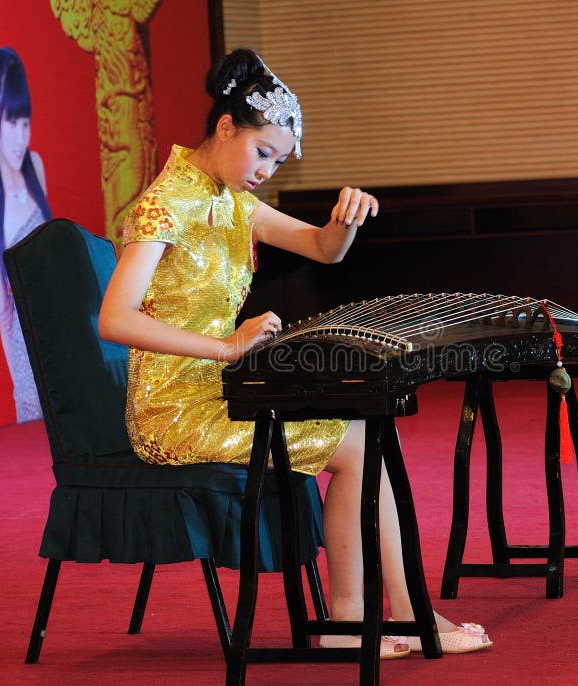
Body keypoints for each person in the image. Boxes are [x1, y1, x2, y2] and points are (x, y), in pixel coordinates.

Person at [98, 47, 492, 658]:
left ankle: (374, 615)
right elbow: (114, 319)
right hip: (173, 411)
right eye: (262, 153)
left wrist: (346, 220)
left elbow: (322, 248)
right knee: (361, 444)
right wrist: (227, 346)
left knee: (365, 430)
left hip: (219, 392)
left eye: (278, 163)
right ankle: (371, 617)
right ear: (226, 127)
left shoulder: (231, 200)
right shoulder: (166, 202)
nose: (265, 172)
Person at [0, 47, 51, 423]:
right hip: (27, 354)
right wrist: (19, 383)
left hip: (60, 326)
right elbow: (4, 312)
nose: (21, 136)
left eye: (26, 122)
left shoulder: (35, 166)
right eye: (12, 122)